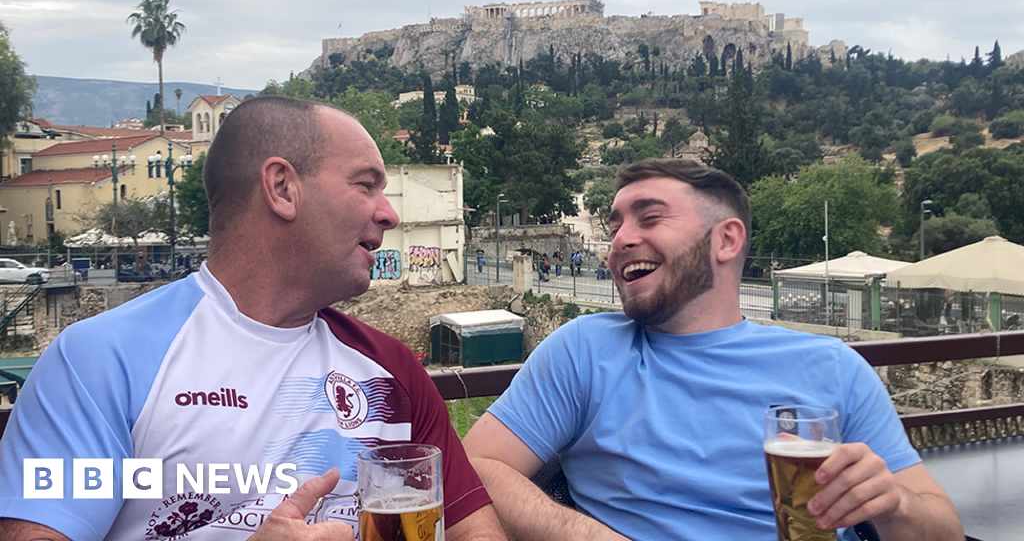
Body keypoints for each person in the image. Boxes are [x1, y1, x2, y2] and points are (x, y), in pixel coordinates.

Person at [0, 97, 505, 541]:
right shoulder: (99, 362)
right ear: (282, 187)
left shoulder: (391, 370)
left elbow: (473, 529)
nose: (389, 213)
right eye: (366, 186)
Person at [463, 159, 962, 541]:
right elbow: (477, 467)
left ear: (726, 240)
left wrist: (893, 504)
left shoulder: (835, 368)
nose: (619, 240)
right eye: (615, 226)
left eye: (649, 218)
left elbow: (945, 528)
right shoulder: (586, 349)